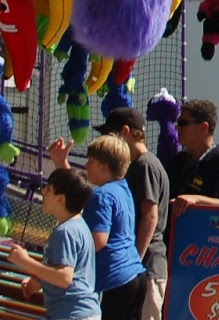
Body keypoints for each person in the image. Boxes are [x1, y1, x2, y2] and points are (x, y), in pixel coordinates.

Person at [54, 133, 148, 317]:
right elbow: (79, 195)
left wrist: (68, 258)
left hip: (114, 280)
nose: (86, 166)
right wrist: (60, 162)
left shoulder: (102, 196)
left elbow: (98, 240)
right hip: (136, 276)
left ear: (104, 167)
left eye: (91, 161)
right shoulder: (122, 188)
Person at [95, 108, 169, 320]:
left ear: (125, 131)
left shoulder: (145, 165)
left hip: (148, 264)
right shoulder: (134, 165)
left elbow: (150, 215)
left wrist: (133, 261)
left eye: (109, 133)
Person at [8, 167, 97, 320]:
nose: (43, 192)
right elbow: (69, 275)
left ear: (60, 199)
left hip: (71, 314)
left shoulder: (66, 231)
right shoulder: (77, 226)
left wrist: (25, 261)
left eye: (49, 189)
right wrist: (41, 282)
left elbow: (64, 278)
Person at [165, 99, 219, 211]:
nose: (177, 128)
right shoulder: (178, 161)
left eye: (183, 123)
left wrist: (196, 200)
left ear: (203, 128)